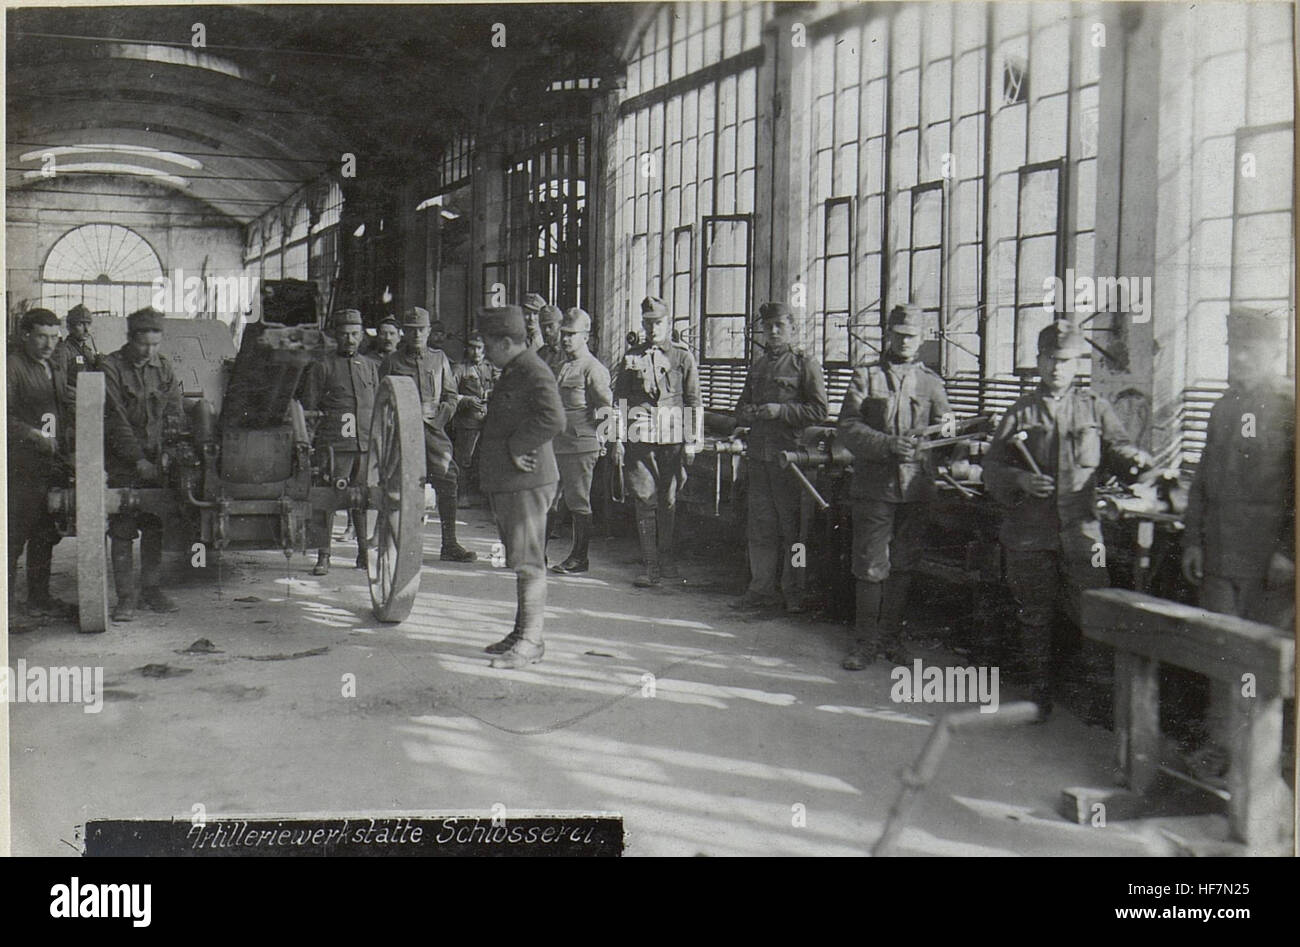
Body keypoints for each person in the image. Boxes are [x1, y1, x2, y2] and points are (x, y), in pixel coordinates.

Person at [983, 319, 1152, 717]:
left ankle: (1099, 700)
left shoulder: (1094, 407)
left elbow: (1119, 448)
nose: (1057, 367)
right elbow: (991, 468)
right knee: (1034, 615)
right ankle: (1039, 693)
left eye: (1065, 360)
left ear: (1077, 363)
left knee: (1096, 609)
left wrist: (1135, 461)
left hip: (1083, 533)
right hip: (1029, 532)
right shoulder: (1020, 412)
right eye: (1049, 359)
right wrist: (1021, 479)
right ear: (1039, 362)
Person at [1181, 307, 1295, 779]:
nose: (1239, 357)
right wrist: (1191, 540)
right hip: (1220, 556)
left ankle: (1274, 758)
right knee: (1220, 655)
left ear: (1275, 352)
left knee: (1268, 663)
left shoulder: (1291, 405)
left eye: (1250, 349)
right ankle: (1220, 746)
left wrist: (1289, 550)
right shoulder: (1223, 406)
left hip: (1271, 564)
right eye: (1234, 348)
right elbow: (1203, 480)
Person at [837, 305, 950, 670]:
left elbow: (946, 434)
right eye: (898, 334)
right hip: (874, 488)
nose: (904, 341)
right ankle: (864, 644)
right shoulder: (865, 378)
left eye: (911, 335)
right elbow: (849, 428)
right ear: (888, 334)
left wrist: (951, 436)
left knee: (903, 564)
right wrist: (887, 444)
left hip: (916, 489)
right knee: (871, 567)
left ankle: (890, 639)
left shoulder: (933, 383)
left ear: (922, 338)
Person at [476, 305, 566, 668]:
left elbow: (554, 418)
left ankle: (531, 641)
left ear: (506, 342)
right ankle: (521, 633)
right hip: (513, 482)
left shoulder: (532, 369)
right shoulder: (515, 369)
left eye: (487, 344)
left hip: (527, 481)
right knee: (520, 559)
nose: (484, 350)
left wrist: (517, 446)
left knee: (529, 562)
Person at [731, 301, 829, 612]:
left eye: (779, 326)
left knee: (794, 532)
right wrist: (746, 413)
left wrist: (781, 411)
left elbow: (819, 411)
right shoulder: (758, 366)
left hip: (792, 463)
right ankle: (760, 589)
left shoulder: (805, 364)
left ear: (793, 330)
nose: (772, 332)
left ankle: (794, 592)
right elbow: (741, 407)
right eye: (768, 326)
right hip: (760, 458)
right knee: (760, 528)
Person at [612, 295, 701, 588]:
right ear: (642, 324)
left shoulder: (682, 357)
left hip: (673, 438)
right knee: (644, 499)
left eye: (658, 323)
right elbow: (619, 400)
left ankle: (667, 560)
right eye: (647, 324)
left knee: (670, 499)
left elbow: (693, 400)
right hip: (640, 437)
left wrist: (692, 440)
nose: (652, 329)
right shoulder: (630, 357)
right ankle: (650, 566)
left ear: (668, 323)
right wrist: (616, 438)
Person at [103, 307, 185, 621]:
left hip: (157, 461)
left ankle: (151, 589)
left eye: (155, 344)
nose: (149, 351)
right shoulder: (111, 367)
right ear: (130, 338)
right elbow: (115, 420)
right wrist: (137, 459)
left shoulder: (163, 368)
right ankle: (126, 598)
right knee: (123, 528)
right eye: (143, 345)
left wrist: (168, 453)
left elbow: (175, 411)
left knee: (154, 526)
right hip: (125, 462)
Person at [379, 306, 476, 562]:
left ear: (429, 331)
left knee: (448, 478)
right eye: (410, 331)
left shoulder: (439, 358)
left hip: (433, 430)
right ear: (404, 333)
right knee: (399, 485)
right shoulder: (392, 361)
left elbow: (451, 395)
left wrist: (439, 419)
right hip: (401, 432)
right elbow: (382, 399)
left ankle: (449, 543)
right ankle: (395, 544)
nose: (416, 335)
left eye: (420, 330)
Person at [7, 308, 72, 626]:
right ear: (25, 336)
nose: (49, 343)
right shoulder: (11, 367)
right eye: (42, 337)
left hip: (50, 466)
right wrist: (33, 435)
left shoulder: (53, 365)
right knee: (13, 537)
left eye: (54, 337)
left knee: (45, 534)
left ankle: (38, 598)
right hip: (20, 467)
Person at [300, 309, 377, 576]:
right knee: (328, 500)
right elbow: (308, 408)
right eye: (344, 334)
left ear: (362, 335)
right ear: (336, 335)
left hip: (363, 445)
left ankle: (363, 554)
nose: (350, 339)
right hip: (334, 446)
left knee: (361, 499)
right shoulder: (322, 366)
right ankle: (324, 555)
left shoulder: (369, 366)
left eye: (355, 334)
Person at [551, 307, 613, 574]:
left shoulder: (593, 369)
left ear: (585, 336)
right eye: (563, 333)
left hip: (580, 445)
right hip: (555, 444)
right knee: (547, 500)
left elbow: (606, 408)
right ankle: (535, 556)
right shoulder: (561, 366)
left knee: (578, 501)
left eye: (571, 334)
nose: (565, 339)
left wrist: (605, 443)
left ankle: (579, 558)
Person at [452, 332, 499, 503]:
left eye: (479, 348)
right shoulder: (460, 368)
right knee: (465, 459)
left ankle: (485, 497)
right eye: (472, 347)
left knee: (487, 457)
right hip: (467, 422)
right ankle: (463, 495)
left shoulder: (491, 367)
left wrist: (493, 392)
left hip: (488, 421)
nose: (476, 352)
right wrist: (466, 400)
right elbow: (449, 394)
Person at [51, 303, 100, 392]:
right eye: (80, 324)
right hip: (72, 402)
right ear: (69, 327)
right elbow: (60, 387)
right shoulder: (63, 351)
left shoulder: (88, 351)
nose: (86, 330)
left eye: (88, 324)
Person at [536, 305, 566, 376]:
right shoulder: (540, 354)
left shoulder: (568, 353)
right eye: (543, 326)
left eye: (550, 326)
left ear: (560, 325)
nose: (546, 330)